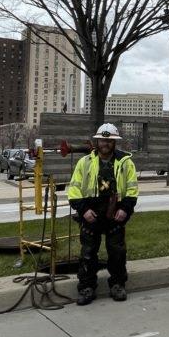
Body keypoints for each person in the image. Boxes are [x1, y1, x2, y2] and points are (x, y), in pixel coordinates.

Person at [67, 123, 139, 305]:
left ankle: (117, 285)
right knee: (88, 254)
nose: (105, 143)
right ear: (97, 141)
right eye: (102, 140)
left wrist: (125, 209)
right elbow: (74, 190)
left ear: (114, 142)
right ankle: (86, 288)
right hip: (91, 214)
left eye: (109, 140)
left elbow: (132, 190)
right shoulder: (85, 163)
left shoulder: (125, 163)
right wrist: (83, 210)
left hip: (116, 214)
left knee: (117, 252)